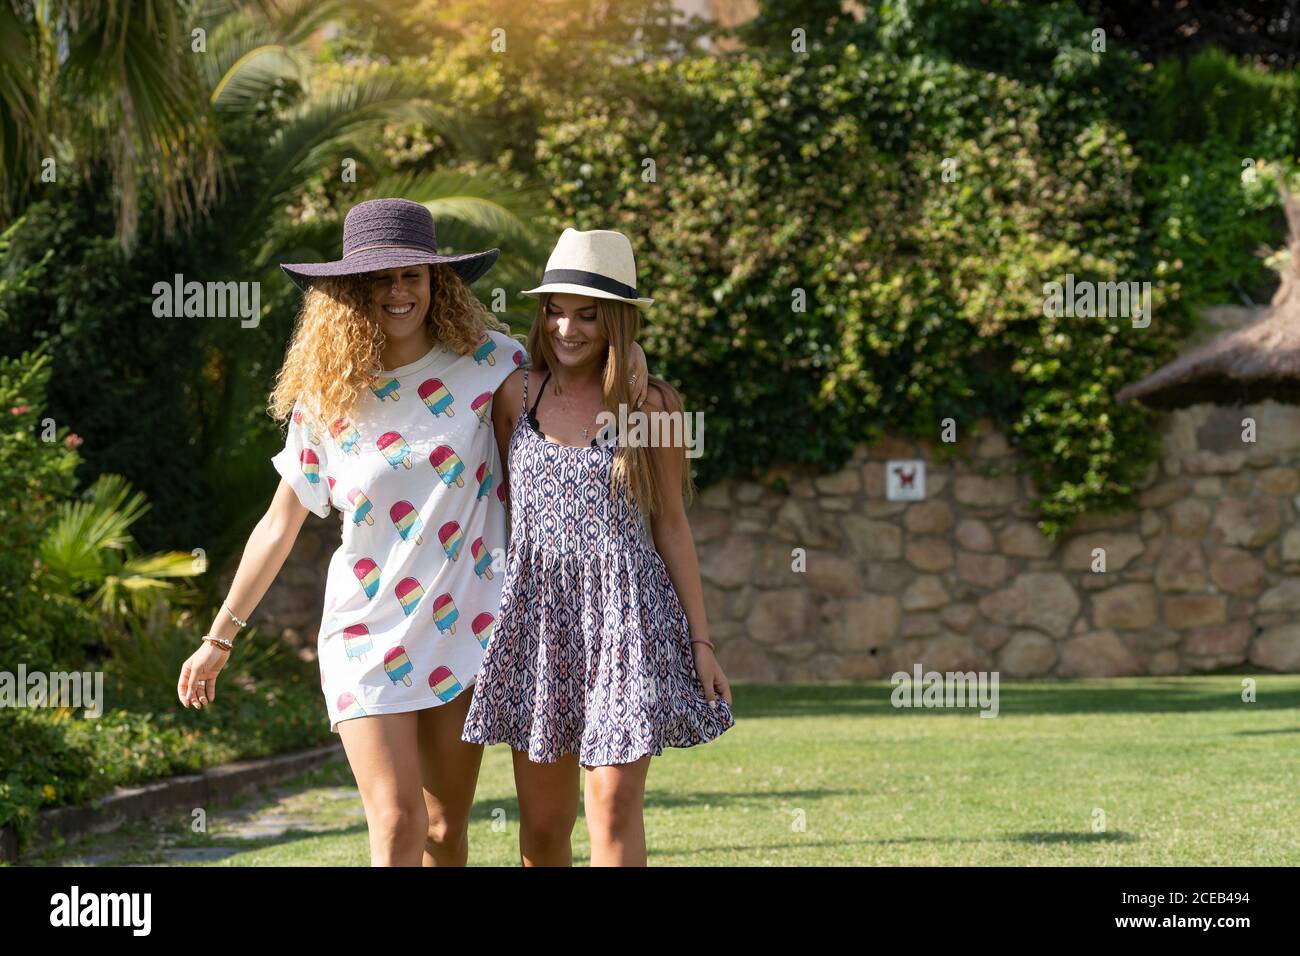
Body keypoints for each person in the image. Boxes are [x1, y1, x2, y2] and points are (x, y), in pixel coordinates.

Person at [175, 199, 648, 866]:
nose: (398, 292)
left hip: (468, 632)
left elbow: (576, 388)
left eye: (412, 277)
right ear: (349, 292)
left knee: (439, 831)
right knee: (396, 823)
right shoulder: (326, 397)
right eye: (380, 279)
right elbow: (280, 522)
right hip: (364, 633)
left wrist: (633, 363)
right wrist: (218, 637)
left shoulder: (491, 364)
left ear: (437, 283)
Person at [461, 228, 734, 866]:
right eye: (555, 309)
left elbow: (671, 526)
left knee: (611, 811)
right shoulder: (514, 396)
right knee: (544, 830)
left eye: (588, 314)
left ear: (617, 321)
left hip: (626, 621)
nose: (566, 328)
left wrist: (702, 643)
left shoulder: (652, 406)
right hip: (540, 623)